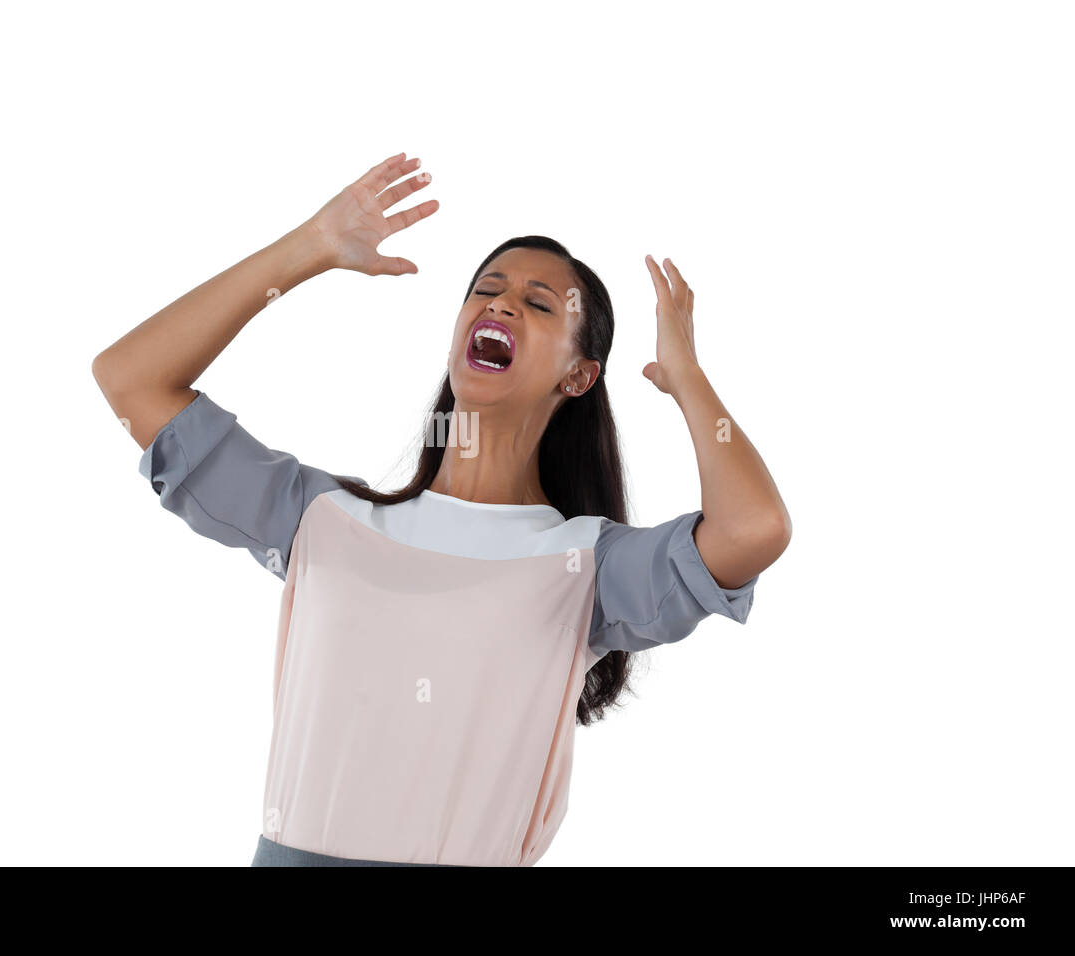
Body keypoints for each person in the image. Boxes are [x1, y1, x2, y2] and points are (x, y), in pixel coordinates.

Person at [92, 152, 792, 866]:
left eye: (539, 303)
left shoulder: (589, 566)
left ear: (580, 376)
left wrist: (688, 379)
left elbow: (754, 528)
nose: (501, 304)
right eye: (486, 290)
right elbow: (131, 379)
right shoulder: (322, 521)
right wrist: (310, 249)